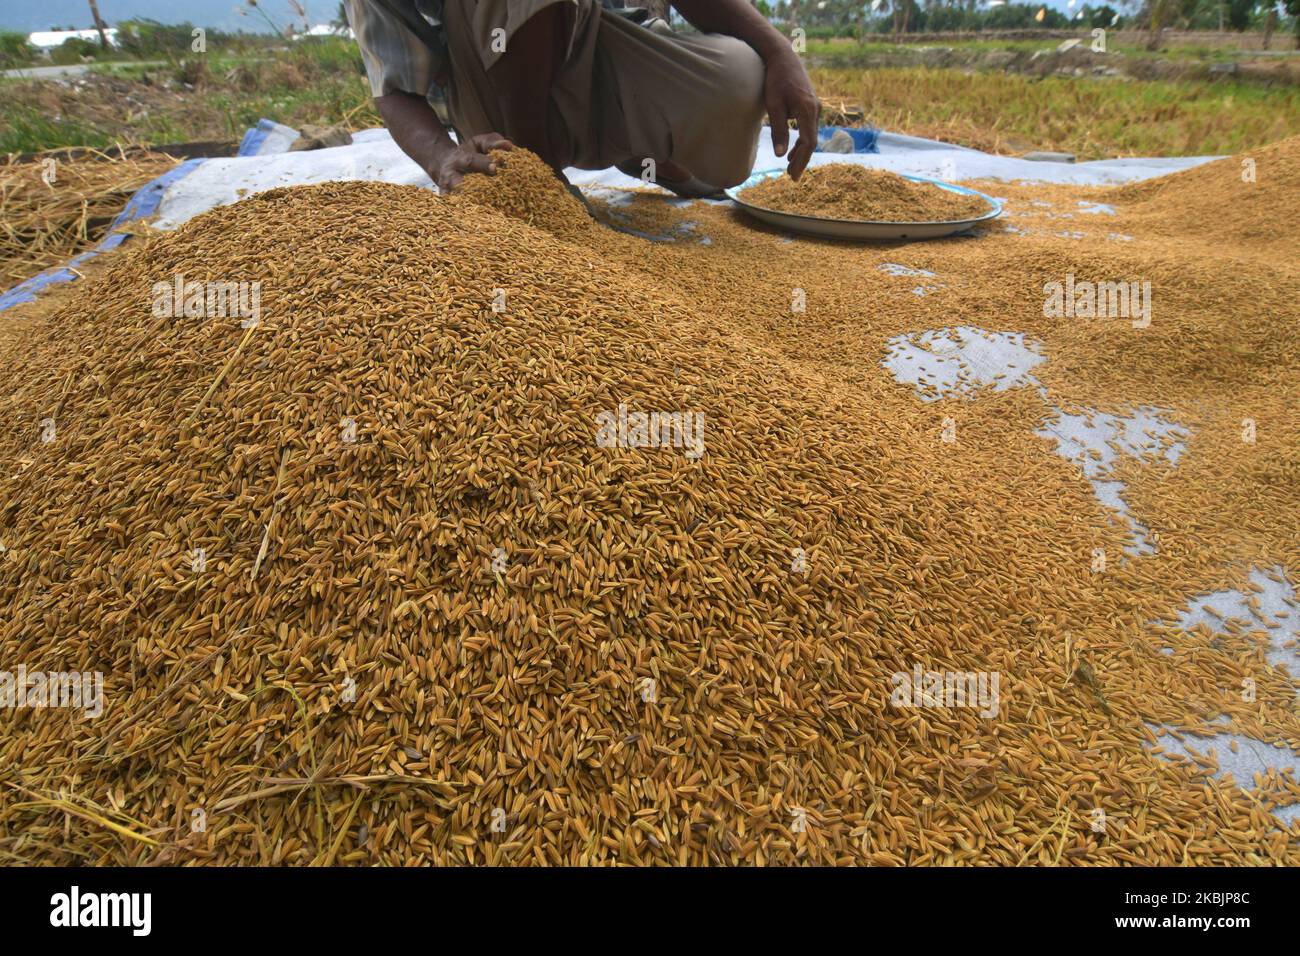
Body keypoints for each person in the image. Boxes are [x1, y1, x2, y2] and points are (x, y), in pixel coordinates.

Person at [343, 0, 820, 197]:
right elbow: (394, 82)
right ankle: (540, 176)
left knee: (739, 83)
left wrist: (780, 51)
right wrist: (441, 156)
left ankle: (642, 149)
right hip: (496, 103)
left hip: (602, 42)